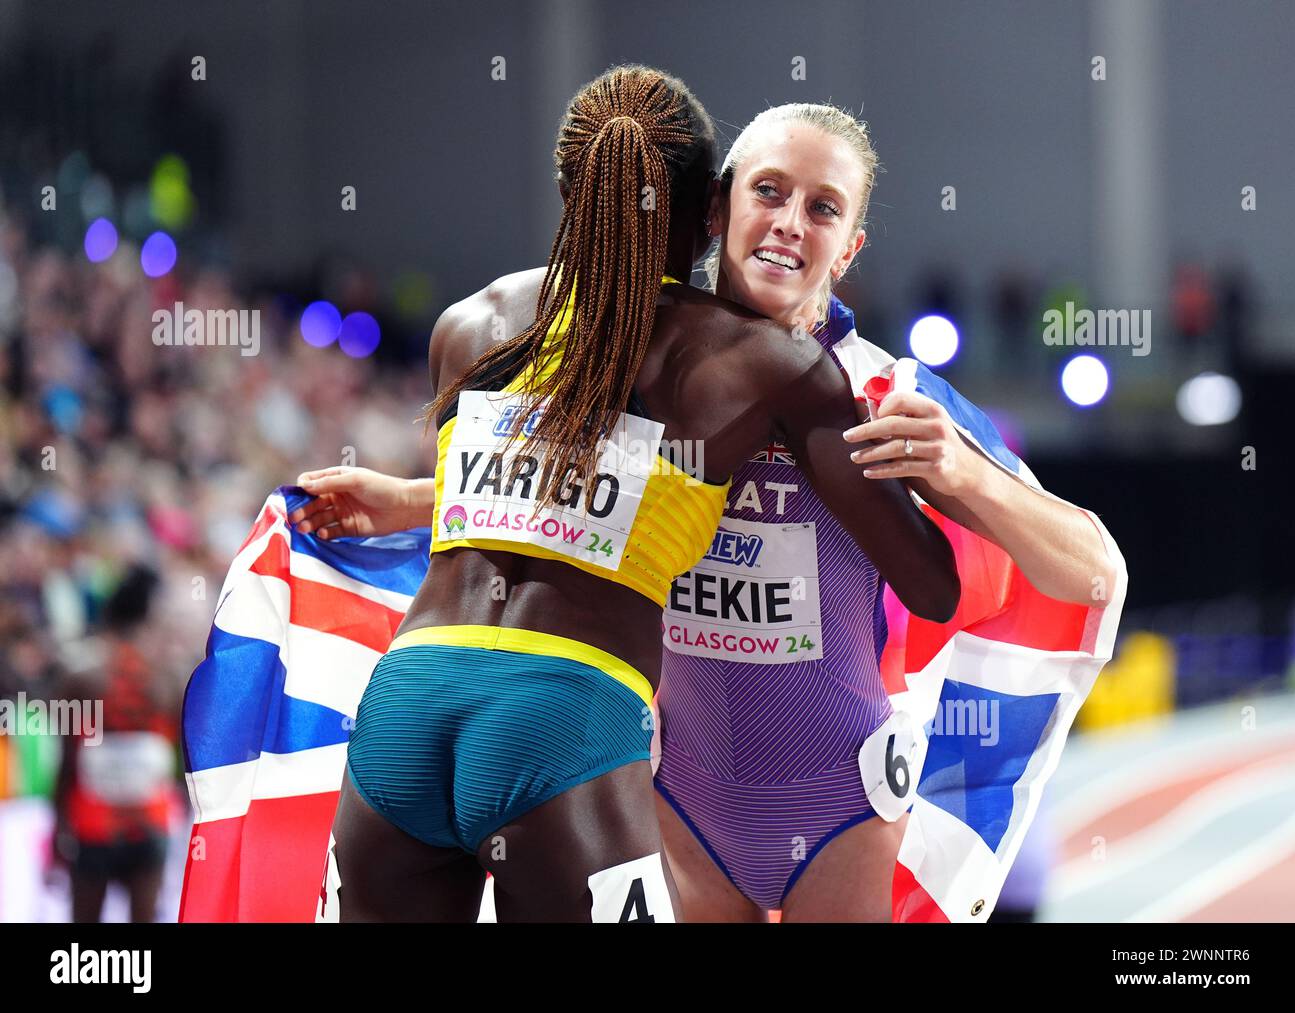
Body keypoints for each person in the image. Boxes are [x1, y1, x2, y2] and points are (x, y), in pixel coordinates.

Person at [298, 98, 1119, 923]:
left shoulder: (880, 395)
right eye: (770, 191)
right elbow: (575, 498)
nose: (791, 222)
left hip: (836, 806)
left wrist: (965, 476)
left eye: (823, 208)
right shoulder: (637, 355)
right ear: (718, 206)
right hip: (675, 800)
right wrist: (414, 501)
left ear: (850, 246)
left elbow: (1093, 571)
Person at [53, 565, 182, 922]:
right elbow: (183, 760)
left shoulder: (81, 678)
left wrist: (57, 825)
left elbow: (66, 761)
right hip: (150, 821)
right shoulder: (169, 679)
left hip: (92, 822)